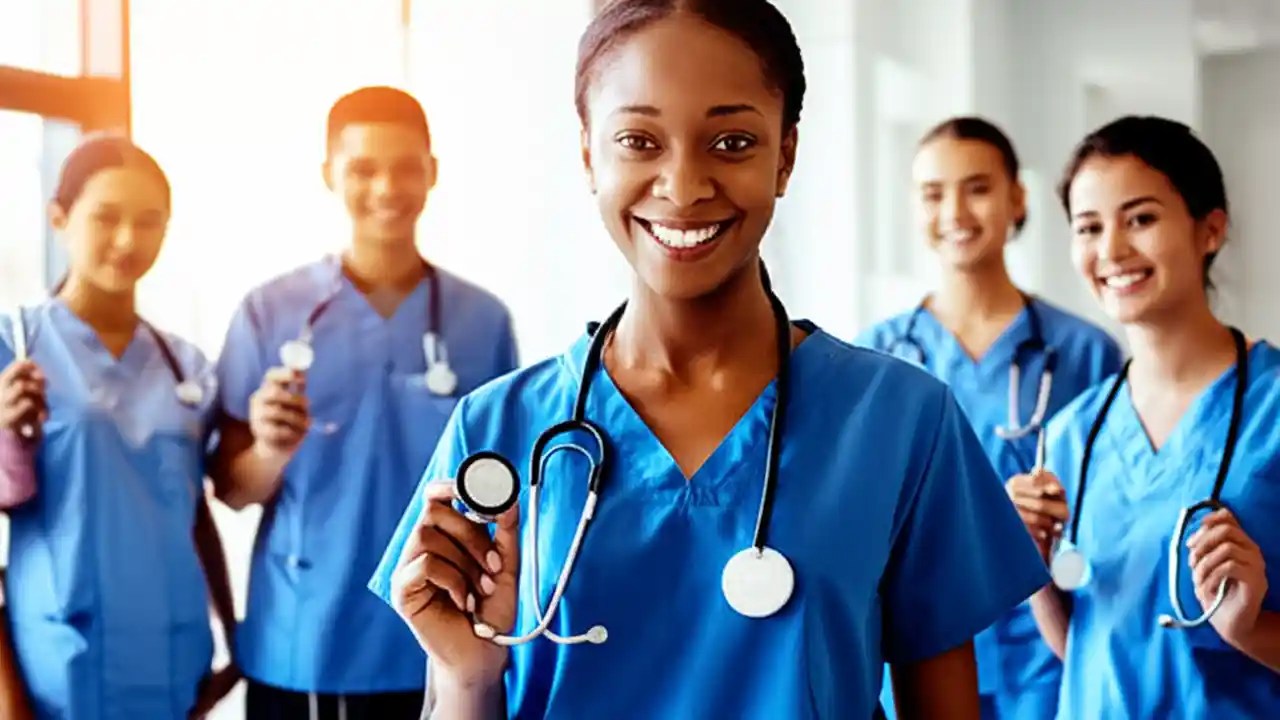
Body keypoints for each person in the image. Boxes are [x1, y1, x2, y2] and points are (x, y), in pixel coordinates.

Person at [367, 2, 1051, 718]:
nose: (684, 186)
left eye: (731, 142)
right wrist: (470, 679)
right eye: (638, 140)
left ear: (784, 156)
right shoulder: (497, 428)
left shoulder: (903, 421)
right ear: (587, 156)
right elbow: (458, 695)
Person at [210, 86, 520, 719]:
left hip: (443, 636)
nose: (386, 188)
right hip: (308, 639)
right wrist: (270, 450)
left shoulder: (482, 321)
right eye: (362, 169)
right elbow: (233, 490)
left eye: (407, 167)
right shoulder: (270, 312)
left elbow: (510, 495)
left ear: (432, 172)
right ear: (329, 175)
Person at [1008, 115, 1280, 718]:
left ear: (1210, 230)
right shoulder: (1073, 432)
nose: (1111, 252)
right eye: (1089, 228)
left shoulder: (1273, 408)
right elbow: (1085, 646)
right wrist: (1033, 568)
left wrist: (1249, 628)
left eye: (1141, 219)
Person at [855, 117, 1123, 719]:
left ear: (1016, 198)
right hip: (917, 642)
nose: (955, 210)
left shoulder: (1083, 352)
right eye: (932, 193)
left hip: (1042, 649)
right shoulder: (874, 358)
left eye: (976, 187)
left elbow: (1117, 507)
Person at [0, 135, 238, 719]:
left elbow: (194, 508)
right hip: (59, 656)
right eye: (106, 217)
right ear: (59, 218)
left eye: (149, 221)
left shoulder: (188, 364)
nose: (128, 240)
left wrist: (233, 638)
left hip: (174, 657)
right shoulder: (14, 345)